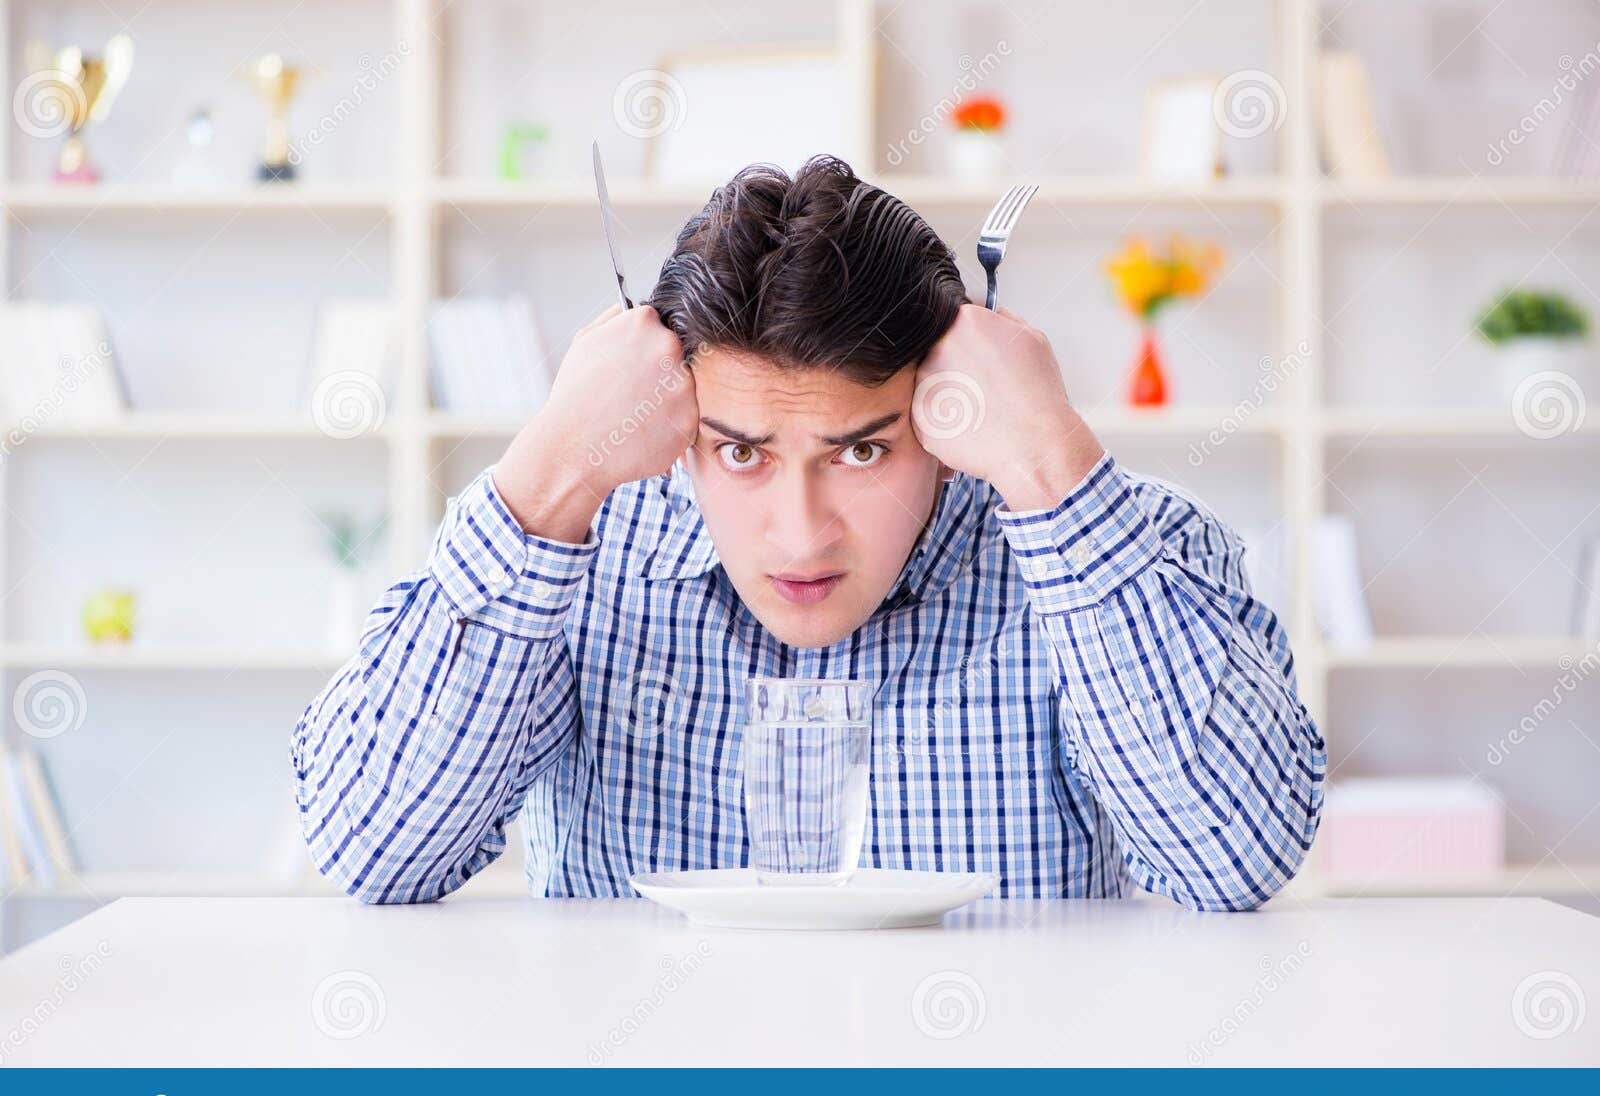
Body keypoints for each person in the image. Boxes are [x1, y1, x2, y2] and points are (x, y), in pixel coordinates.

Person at [291, 155, 1326, 911]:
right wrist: (550, 467)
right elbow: (374, 854)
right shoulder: (567, 549)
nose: (799, 535)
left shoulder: (1115, 542)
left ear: (944, 416)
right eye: (741, 452)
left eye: (861, 451)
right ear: (678, 426)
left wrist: (1054, 467)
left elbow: (1230, 864)